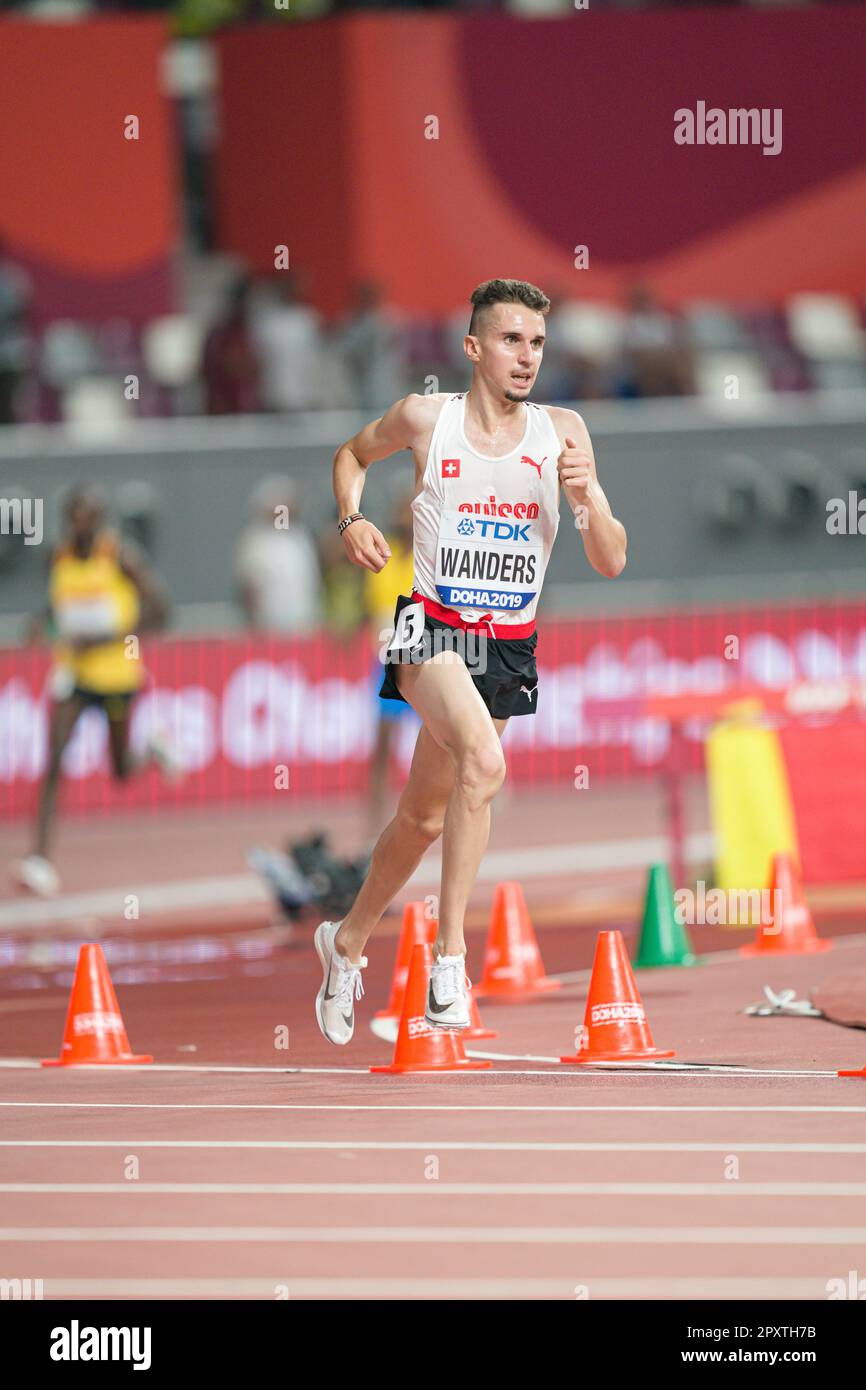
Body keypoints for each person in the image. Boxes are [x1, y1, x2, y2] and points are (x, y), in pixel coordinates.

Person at [315, 278, 627, 1045]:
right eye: (513, 341)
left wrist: (588, 501)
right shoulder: (428, 419)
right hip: (433, 626)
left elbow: (611, 559)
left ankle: (345, 941)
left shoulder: (564, 433)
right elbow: (351, 455)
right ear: (475, 348)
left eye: (539, 343)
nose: (528, 357)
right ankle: (449, 962)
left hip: (509, 644)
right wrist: (351, 518)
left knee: (423, 814)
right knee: (484, 764)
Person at [14, 486, 176, 897]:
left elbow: (160, 608)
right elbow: (57, 608)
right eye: (75, 517)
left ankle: (150, 751)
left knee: (120, 771)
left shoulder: (120, 556)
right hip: (73, 675)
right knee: (53, 760)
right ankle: (40, 860)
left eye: (89, 517)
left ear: (100, 520)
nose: (81, 525)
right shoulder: (59, 557)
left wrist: (109, 636)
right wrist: (41, 625)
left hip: (117, 677)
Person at [362, 486, 419, 840]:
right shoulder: (384, 557)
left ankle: (472, 800)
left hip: (425, 660)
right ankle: (376, 824)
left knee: (448, 741)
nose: (403, 520)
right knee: (382, 746)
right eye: (399, 514)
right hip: (388, 662)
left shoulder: (430, 557)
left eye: (408, 514)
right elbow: (374, 611)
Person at [235, 476, 322, 633]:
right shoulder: (257, 540)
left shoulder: (300, 536)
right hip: (270, 627)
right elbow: (249, 587)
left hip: (304, 625)